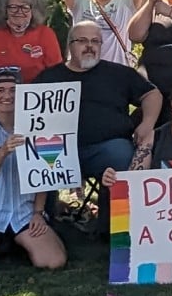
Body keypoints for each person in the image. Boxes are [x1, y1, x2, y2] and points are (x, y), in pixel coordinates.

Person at [28, 20, 163, 197]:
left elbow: (152, 94)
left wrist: (147, 123)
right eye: (82, 41)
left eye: (95, 41)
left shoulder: (118, 73)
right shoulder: (50, 77)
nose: (89, 46)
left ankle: (114, 220)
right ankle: (45, 217)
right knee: (34, 159)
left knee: (121, 153)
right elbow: (29, 113)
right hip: (58, 152)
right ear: (70, 46)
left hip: (106, 150)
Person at [0, 78, 68, 275]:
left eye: (13, 91)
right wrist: (2, 152)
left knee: (54, 261)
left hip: (23, 211)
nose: (7, 96)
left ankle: (9, 241)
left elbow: (45, 172)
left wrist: (38, 213)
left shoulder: (37, 125)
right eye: (0, 90)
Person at [0, 0, 62, 99]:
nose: (19, 11)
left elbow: (56, 72)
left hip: (38, 97)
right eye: (13, 7)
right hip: (1, 99)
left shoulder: (45, 34)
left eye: (25, 7)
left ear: (33, 11)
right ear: (4, 10)